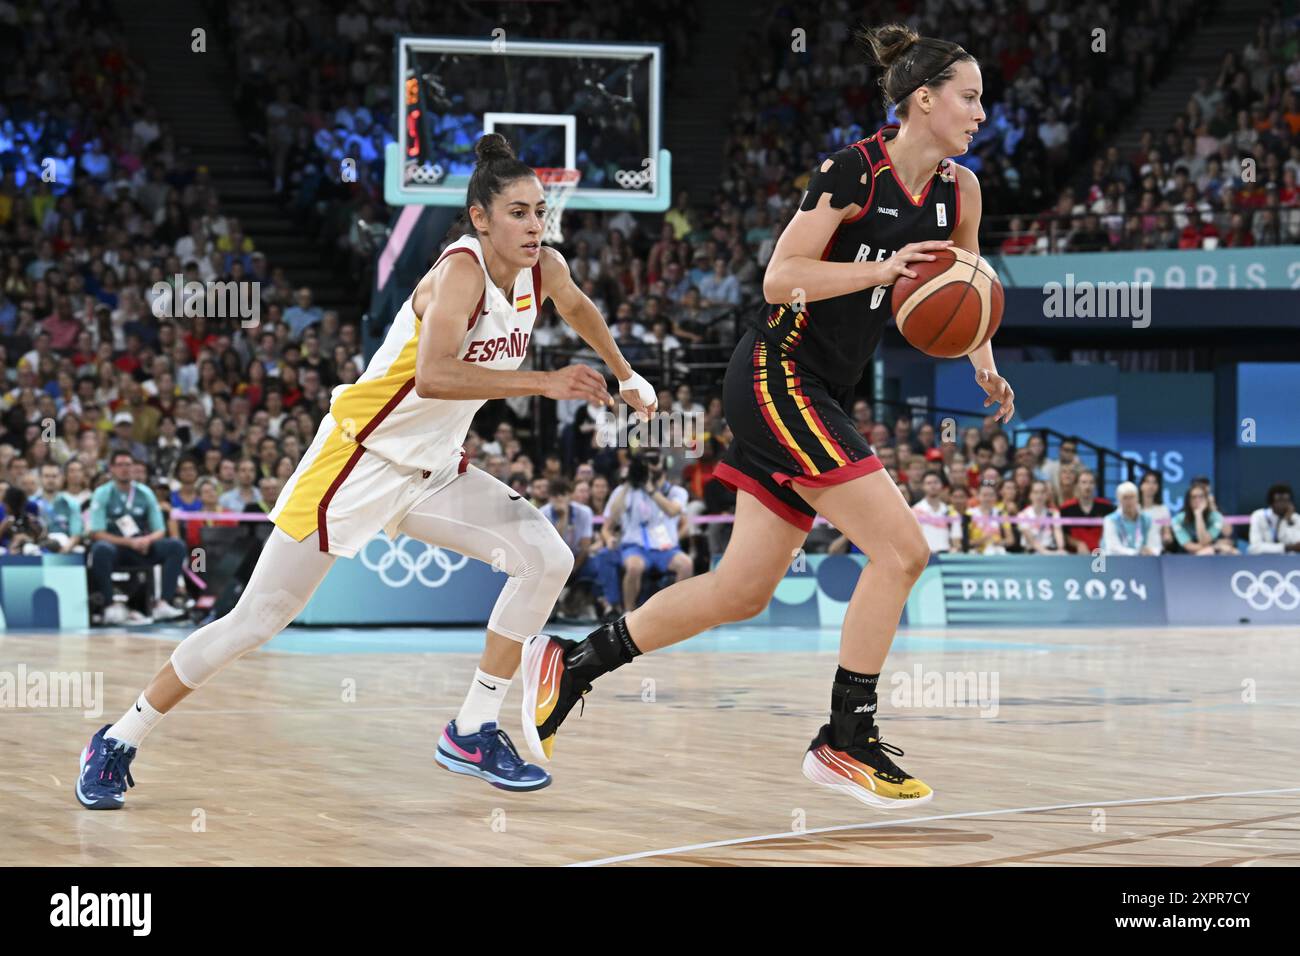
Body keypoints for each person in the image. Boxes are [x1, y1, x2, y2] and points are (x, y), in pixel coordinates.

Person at [74, 134, 658, 810]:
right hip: (357, 461)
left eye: (540, 211)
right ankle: (119, 737)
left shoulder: (543, 267)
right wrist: (544, 383)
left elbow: (580, 306)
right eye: (520, 213)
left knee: (544, 558)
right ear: (480, 218)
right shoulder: (459, 274)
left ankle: (473, 727)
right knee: (254, 621)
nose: (535, 225)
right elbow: (434, 376)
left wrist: (626, 373)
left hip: (433, 470)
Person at [520, 24, 1015, 809]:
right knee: (902, 550)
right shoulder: (852, 171)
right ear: (924, 100)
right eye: (970, 96)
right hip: (775, 374)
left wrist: (983, 362)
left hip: (821, 390)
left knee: (741, 590)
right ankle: (845, 737)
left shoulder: (962, 190)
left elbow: (968, 282)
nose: (982, 112)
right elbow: (780, 275)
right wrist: (879, 269)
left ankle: (573, 664)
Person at [86, 451, 189, 625]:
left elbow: (160, 530)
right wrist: (129, 542)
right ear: (112, 469)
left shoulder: (145, 492)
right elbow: (96, 532)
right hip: (116, 548)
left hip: (142, 547)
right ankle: (110, 605)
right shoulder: (102, 493)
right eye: (120, 465)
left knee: (176, 546)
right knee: (100, 549)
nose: (124, 469)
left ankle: (163, 603)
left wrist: (147, 540)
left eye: (128, 465)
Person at [604, 449, 693, 612]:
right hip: (635, 547)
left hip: (666, 549)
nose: (650, 467)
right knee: (633, 567)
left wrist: (651, 490)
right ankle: (628, 613)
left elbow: (673, 511)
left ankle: (675, 610)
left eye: (654, 461)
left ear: (663, 465)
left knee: (686, 564)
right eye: (646, 462)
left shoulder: (676, 491)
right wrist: (629, 482)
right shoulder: (625, 491)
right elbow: (612, 518)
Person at [1059, 470, 1114, 554]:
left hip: (1102, 555)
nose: (1087, 487)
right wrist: (1078, 544)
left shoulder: (1106, 507)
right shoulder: (1066, 508)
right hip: (1075, 555)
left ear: (1095, 485)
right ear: (1077, 485)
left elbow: (1112, 531)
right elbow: (1064, 534)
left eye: (1091, 482)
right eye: (1084, 482)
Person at [1100, 481, 1160, 555]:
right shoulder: (1110, 520)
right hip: (1115, 563)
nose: (1129, 501)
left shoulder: (1147, 519)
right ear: (1119, 500)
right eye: (1125, 498)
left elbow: (1155, 545)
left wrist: (1151, 551)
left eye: (1132, 497)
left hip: (1143, 562)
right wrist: (1137, 553)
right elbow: (1113, 548)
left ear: (1137, 498)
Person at [912, 470, 960, 553]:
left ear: (941, 485)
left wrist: (955, 550)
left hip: (946, 557)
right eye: (929, 483)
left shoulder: (951, 512)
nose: (933, 486)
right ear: (923, 486)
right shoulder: (914, 511)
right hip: (925, 557)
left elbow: (956, 541)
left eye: (936, 482)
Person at [1171, 483, 1225, 556]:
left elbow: (1204, 541)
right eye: (1194, 497)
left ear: (1206, 499)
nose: (1198, 500)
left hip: (1211, 557)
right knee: (1209, 551)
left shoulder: (1217, 517)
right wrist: (1216, 547)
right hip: (1185, 557)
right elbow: (1188, 546)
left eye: (1201, 496)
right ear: (1188, 501)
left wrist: (1199, 515)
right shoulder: (1177, 520)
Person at [1247, 483, 1300, 554]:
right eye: (1279, 500)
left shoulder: (1295, 518)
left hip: (1289, 561)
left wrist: (1287, 520)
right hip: (1263, 561)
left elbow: (1297, 545)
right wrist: (1286, 547)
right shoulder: (1259, 516)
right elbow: (1254, 548)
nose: (1283, 504)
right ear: (1271, 502)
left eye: (1286, 500)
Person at [1016, 480, 1065, 553]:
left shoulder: (1054, 513)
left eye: (1042, 492)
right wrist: (1046, 553)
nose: (1039, 496)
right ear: (1030, 495)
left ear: (1046, 495)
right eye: (1035, 492)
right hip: (1031, 554)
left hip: (1051, 550)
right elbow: (1031, 540)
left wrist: (1061, 549)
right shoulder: (1022, 515)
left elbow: (1058, 532)